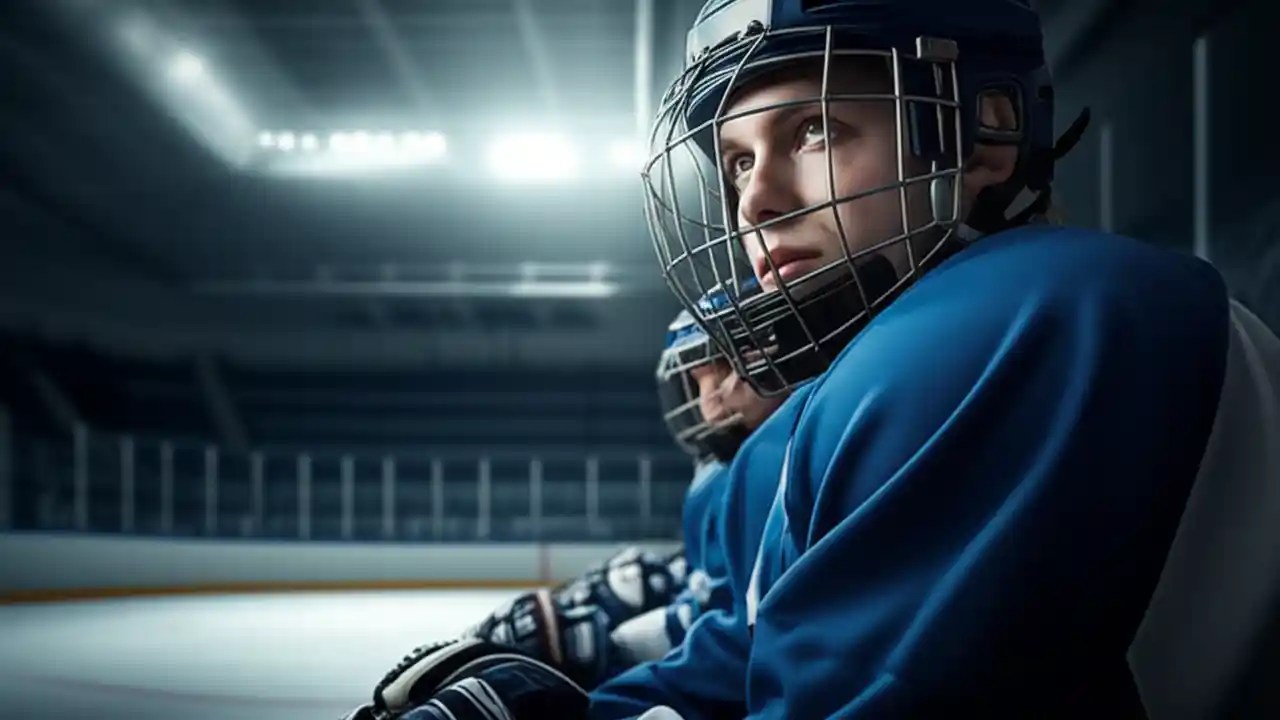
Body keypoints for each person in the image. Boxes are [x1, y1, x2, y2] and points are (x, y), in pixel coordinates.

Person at [373, 0, 1280, 717]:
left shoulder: (1015, 315)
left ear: (986, 135)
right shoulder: (882, 364)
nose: (755, 200)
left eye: (813, 132)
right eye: (733, 162)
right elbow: (757, 660)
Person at [341, 311, 787, 720]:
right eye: (697, 381)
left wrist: (606, 676)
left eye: (720, 372)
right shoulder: (731, 469)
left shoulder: (766, 457)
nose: (708, 402)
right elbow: (721, 591)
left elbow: (740, 643)